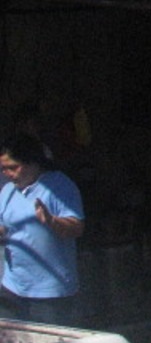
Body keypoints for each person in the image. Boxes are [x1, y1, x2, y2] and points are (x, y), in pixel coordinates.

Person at [0, 132, 84, 325]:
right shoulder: (7, 191)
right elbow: (5, 228)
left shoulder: (59, 186)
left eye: (13, 168)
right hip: (13, 287)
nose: (7, 174)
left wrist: (51, 221)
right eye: (3, 169)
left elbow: (77, 228)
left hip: (49, 292)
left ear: (32, 163)